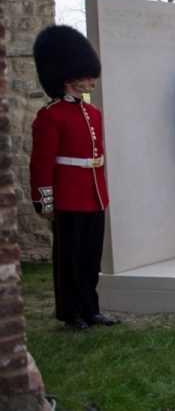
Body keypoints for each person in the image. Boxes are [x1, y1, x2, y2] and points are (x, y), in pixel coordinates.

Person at [30, 25, 121, 332]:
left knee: (90, 258)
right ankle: (71, 313)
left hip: (93, 195)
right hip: (68, 196)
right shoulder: (50, 115)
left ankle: (91, 309)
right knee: (68, 259)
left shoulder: (92, 113)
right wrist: (45, 201)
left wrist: (102, 192)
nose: (91, 80)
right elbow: (41, 162)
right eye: (85, 76)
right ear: (68, 78)